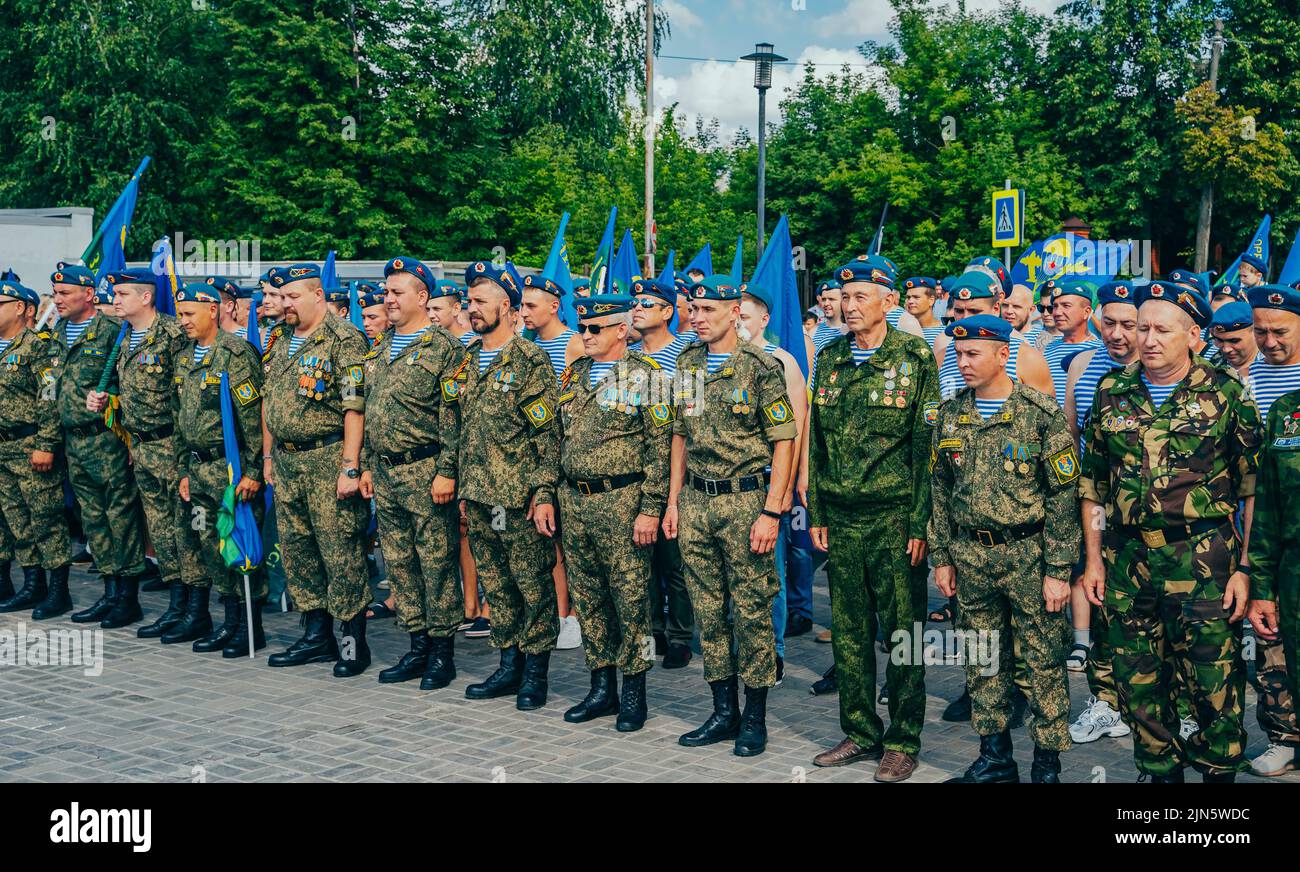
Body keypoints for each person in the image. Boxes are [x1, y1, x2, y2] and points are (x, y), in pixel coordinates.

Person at [1080, 280, 1259, 782]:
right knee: (1138, 686)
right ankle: (1160, 777)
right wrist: (1094, 559)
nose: (1148, 339)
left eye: (1162, 329)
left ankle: (1218, 782)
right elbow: (1093, 484)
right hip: (1128, 562)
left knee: (1214, 684)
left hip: (1204, 561)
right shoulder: (1112, 391)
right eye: (1142, 328)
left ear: (1194, 336)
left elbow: (1252, 488)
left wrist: (1245, 568)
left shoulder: (1225, 395)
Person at [930, 314, 1079, 783]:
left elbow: (1063, 495)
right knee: (982, 657)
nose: (964, 362)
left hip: (1029, 556)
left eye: (973, 353)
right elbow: (939, 488)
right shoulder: (952, 413)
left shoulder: (1040, 414)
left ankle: (1047, 765)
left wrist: (1059, 568)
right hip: (971, 556)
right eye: (959, 353)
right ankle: (995, 757)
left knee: (1043, 663)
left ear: (1002, 354)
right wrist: (942, 556)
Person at [807, 256, 938, 781]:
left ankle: (903, 739)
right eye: (846, 296)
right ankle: (861, 731)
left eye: (862, 297)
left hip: (893, 516)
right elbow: (816, 441)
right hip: (840, 516)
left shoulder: (915, 357)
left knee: (902, 634)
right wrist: (816, 509)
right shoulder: (830, 357)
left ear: (888, 301)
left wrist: (918, 523)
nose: (850, 306)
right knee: (849, 632)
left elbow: (925, 448)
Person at [664, 274, 797, 757]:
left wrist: (772, 511)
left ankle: (754, 717)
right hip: (697, 501)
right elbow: (679, 433)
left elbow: (784, 440)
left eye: (707, 311)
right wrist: (674, 500)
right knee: (709, 612)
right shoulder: (688, 362)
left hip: (745, 501)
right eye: (693, 310)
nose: (696, 318)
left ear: (734, 312)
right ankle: (724, 711)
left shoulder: (761, 367)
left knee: (752, 611)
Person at [557, 294, 671, 731]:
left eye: (594, 329)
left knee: (632, 603)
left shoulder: (650, 377)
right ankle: (601, 687)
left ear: (621, 331)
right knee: (589, 598)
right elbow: (557, 437)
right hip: (576, 502)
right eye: (582, 328)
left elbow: (660, 449)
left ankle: (635, 690)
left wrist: (650, 509)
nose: (585, 335)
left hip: (623, 503)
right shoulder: (575, 373)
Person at [457, 260, 561, 710]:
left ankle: (535, 673)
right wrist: (461, 487)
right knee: (497, 586)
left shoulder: (529, 359)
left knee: (531, 585)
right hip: (479, 497)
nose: (472, 308)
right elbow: (454, 427)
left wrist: (542, 495)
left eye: (481, 301)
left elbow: (547, 434)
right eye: (470, 301)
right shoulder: (465, 359)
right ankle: (508, 664)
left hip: (517, 499)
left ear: (507, 305)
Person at [262, 263, 372, 677]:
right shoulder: (281, 338)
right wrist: (270, 457)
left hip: (327, 459)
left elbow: (354, 407)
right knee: (299, 551)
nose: (284, 305)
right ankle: (315, 635)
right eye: (282, 297)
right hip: (288, 462)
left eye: (292, 297)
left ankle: (350, 641)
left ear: (318, 296)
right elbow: (270, 403)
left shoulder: (345, 340)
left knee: (339, 551)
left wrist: (350, 465)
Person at [362, 257, 467, 691]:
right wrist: (366, 463)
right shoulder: (380, 348)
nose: (388, 300)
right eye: (385, 293)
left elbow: (454, 418)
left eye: (396, 293)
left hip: (426, 470)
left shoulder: (445, 349)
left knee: (436, 562)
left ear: (422, 297)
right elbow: (368, 412)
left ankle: (442, 653)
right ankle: (416, 643)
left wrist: (446, 472)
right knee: (400, 563)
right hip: (386, 473)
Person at [47, 263, 151, 627]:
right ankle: (109, 592)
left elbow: (132, 383)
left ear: (88, 294)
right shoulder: (58, 332)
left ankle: (128, 596)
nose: (58, 300)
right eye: (55, 294)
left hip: (106, 440)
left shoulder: (112, 332)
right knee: (93, 521)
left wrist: (112, 404)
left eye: (65, 293)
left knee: (120, 518)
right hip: (74, 443)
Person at [169, 282, 268, 653]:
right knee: (211, 547)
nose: (183, 322)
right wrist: (182, 470)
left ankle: (249, 626)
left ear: (213, 310)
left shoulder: (236, 354)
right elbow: (179, 420)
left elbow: (252, 421)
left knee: (239, 544)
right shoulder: (184, 357)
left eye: (189, 314)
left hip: (230, 471)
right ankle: (229, 621)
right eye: (180, 314)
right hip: (197, 472)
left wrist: (254, 471)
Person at [87, 270, 187, 633]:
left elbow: (184, 397)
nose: (115, 300)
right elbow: (131, 392)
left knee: (184, 529)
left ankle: (192, 607)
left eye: (123, 293)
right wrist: (107, 399)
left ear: (146, 298)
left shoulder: (172, 335)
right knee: (160, 530)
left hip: (171, 445)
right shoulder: (126, 338)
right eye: (115, 294)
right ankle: (177, 604)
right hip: (141, 447)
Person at [1060, 281, 1137, 745]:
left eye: (1128, 324)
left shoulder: (1160, 370)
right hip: (1093, 505)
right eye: (1109, 322)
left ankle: (1162, 705)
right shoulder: (1084, 365)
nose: (1117, 334)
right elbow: (1071, 437)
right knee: (1100, 596)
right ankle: (1105, 702)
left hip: (1149, 511)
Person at [738, 281, 811, 681]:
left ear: (764, 320)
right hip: (722, 489)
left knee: (771, 575)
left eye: (745, 316)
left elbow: (797, 426)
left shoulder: (780, 361)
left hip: (766, 484)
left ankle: (774, 652)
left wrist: (789, 486)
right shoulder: (721, 360)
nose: (738, 323)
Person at [1242, 283, 1300, 776]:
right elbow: (1268, 507)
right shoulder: (1282, 410)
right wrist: (1260, 583)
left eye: (1279, 330)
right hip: (1289, 560)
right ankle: (1285, 735)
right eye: (1259, 331)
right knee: (1278, 653)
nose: (1268, 340)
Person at [629, 276, 695, 668]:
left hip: (677, 473)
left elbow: (693, 419)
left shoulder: (687, 356)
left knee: (676, 562)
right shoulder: (628, 358)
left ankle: (680, 635)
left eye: (647, 304)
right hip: (636, 472)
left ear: (668, 312)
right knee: (643, 560)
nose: (637, 309)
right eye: (635, 304)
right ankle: (651, 629)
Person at [0, 279, 71, 618]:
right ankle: (32, 585)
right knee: (17, 521)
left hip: (30, 446)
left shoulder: (38, 347)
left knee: (46, 519)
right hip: (2, 448)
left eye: (1, 302)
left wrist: (46, 444)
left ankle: (58, 591)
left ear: (21, 308)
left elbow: (49, 399)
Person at [519, 272, 583, 650]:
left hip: (561, 454)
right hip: (530, 455)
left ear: (554, 306)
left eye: (531, 305)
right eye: (522, 305)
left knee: (562, 542)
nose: (524, 312)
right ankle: (548, 611)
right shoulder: (525, 345)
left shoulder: (573, 344)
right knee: (541, 542)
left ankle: (568, 615)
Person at [932, 271, 1054, 400]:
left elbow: (1046, 416)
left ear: (996, 309)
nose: (965, 318)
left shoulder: (1026, 358)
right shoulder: (943, 356)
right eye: (959, 311)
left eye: (975, 311)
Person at [1040, 278, 1101, 407]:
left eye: (1066, 306)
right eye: (1055, 306)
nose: (1057, 312)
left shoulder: (1101, 351)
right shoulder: (1046, 351)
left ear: (1087, 312)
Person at [1209, 302, 1257, 383]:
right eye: (1219, 340)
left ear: (1256, 333)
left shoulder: (1274, 365)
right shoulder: (1208, 365)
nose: (1226, 349)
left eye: (1234, 341)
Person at [902, 276, 944, 348]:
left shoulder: (944, 333)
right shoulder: (900, 329)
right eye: (908, 297)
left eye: (916, 297)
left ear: (931, 300)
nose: (910, 301)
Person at [812, 279, 846, 353]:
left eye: (831, 299)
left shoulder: (851, 332)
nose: (826, 303)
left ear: (843, 301)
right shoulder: (813, 331)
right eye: (824, 299)